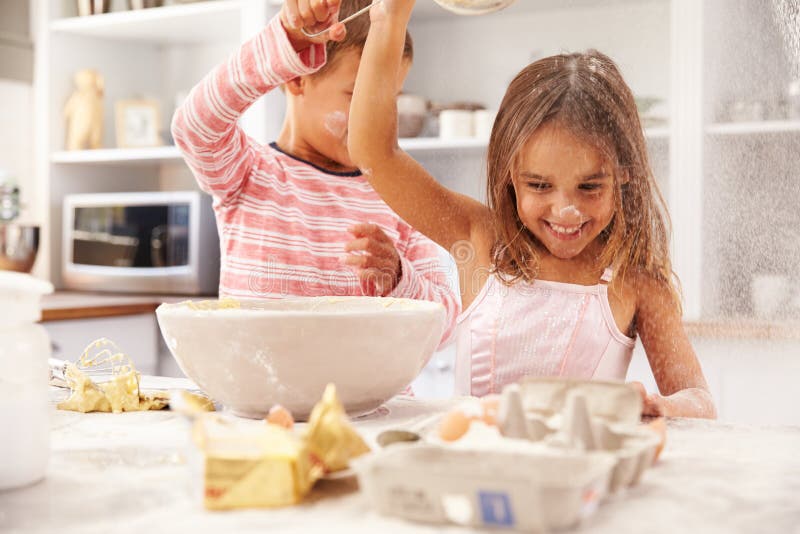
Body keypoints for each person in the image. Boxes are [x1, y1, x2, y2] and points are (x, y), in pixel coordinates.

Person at [347, 0, 715, 418]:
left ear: (625, 173)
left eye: (590, 186)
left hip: (579, 480)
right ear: (508, 173)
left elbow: (698, 398)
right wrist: (389, 18)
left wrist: (661, 406)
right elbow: (373, 150)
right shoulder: (478, 239)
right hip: (474, 474)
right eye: (539, 185)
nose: (566, 210)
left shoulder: (636, 279)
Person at [171, 0, 459, 344]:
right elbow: (194, 125)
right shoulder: (248, 173)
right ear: (296, 77)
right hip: (262, 398)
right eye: (357, 94)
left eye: (389, 97)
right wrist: (285, 42)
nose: (378, 111)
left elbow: (445, 328)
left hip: (371, 399)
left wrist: (399, 277)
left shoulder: (401, 193)